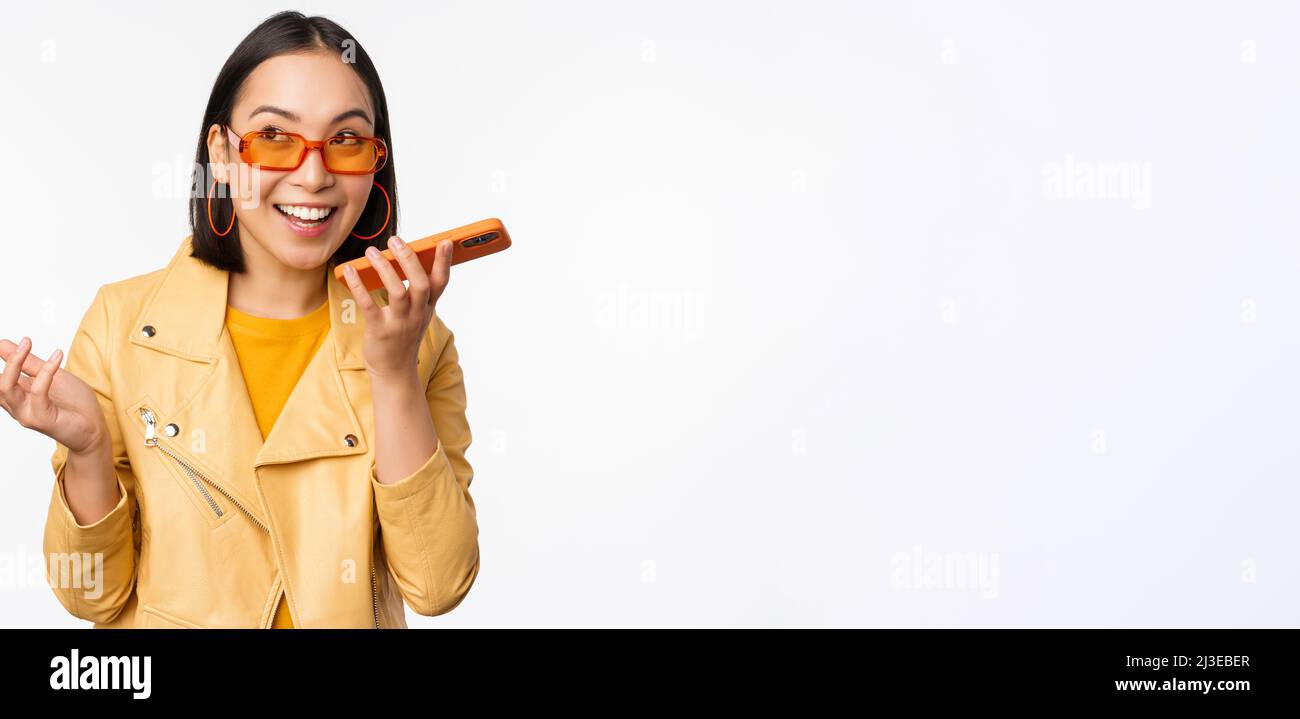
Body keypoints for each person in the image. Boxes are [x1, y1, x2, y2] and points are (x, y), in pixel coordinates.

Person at [0, 11, 480, 628]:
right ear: (222, 154)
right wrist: (89, 449)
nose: (313, 174)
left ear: (374, 162)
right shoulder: (123, 325)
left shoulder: (421, 344)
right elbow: (89, 596)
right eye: (275, 137)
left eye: (346, 141)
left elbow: (438, 584)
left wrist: (391, 375)